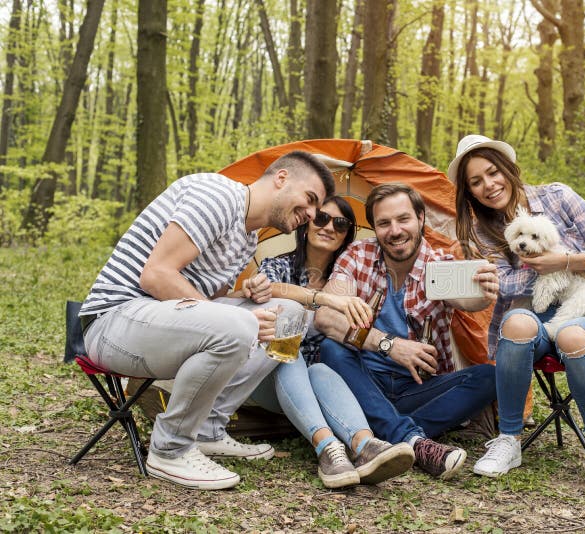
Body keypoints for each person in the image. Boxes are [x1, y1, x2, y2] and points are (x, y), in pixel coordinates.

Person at [79, 151, 334, 490]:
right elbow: (156, 276)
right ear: (282, 178)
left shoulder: (248, 237)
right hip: (113, 323)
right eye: (311, 200)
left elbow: (197, 297)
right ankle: (170, 449)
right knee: (238, 325)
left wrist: (244, 292)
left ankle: (207, 429)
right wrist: (233, 318)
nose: (313, 215)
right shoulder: (217, 195)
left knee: (287, 313)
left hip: (156, 323)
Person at [449, 134, 585, 488]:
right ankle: (509, 440)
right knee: (517, 322)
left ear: (508, 169)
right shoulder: (480, 231)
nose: (488, 185)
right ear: (470, 191)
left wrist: (567, 261)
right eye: (476, 181)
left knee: (571, 333)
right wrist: (544, 272)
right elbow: (500, 286)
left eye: (492, 172)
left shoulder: (559, 197)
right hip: (530, 325)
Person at [314, 183, 499, 480]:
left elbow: (469, 300)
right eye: (384, 223)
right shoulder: (357, 255)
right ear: (374, 227)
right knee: (332, 349)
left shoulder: (439, 266)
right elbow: (325, 318)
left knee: (491, 377)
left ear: (421, 219)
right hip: (363, 379)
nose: (395, 230)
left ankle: (377, 430)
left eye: (403, 219)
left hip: (417, 388)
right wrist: (389, 345)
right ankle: (413, 440)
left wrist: (484, 293)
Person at [248, 196, 415, 488]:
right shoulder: (279, 266)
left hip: (323, 390)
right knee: (289, 354)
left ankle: (365, 446)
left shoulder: (348, 278)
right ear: (306, 224)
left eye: (340, 223)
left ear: (347, 234)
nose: (329, 227)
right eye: (321, 218)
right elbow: (269, 289)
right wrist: (320, 299)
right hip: (269, 377)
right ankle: (327, 447)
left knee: (322, 368)